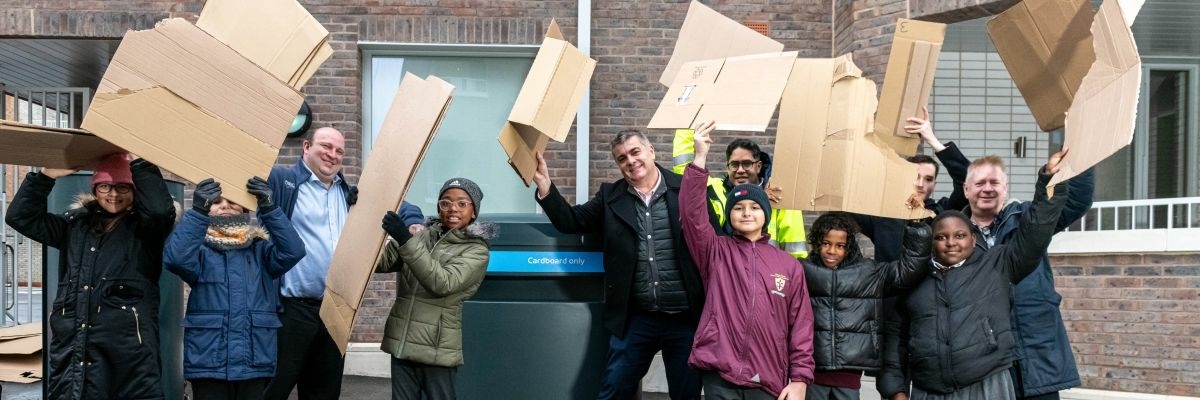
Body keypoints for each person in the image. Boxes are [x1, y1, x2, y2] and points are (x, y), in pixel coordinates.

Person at [882, 149, 1071, 399]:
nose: (951, 242)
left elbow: (1036, 230)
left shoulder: (997, 265)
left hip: (986, 384)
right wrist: (895, 389)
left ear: (973, 239)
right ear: (931, 242)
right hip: (929, 389)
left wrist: (1048, 178)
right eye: (941, 237)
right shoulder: (914, 278)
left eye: (960, 235)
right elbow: (896, 336)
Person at [533, 130, 704, 400]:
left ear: (651, 151)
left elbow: (715, 239)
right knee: (613, 391)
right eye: (622, 158)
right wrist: (545, 184)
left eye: (635, 152)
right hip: (636, 318)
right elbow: (571, 221)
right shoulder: (610, 196)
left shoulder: (684, 188)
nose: (631, 161)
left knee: (687, 394)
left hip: (685, 317)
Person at [264, 127, 425, 400]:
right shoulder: (283, 180)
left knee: (324, 392)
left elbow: (401, 203)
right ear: (306, 147)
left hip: (335, 308)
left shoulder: (348, 192)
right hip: (290, 309)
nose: (333, 154)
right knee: (272, 389)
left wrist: (412, 222)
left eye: (339, 150)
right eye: (326, 146)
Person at [5, 153, 175, 399]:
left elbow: (160, 211)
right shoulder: (74, 225)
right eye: (105, 186)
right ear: (95, 190)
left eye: (123, 187)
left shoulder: (145, 229)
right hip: (74, 347)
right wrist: (44, 177)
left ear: (135, 191)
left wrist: (140, 163)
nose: (113, 194)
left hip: (127, 353)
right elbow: (19, 217)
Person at [680, 120, 814, 400]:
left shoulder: (788, 265)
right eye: (738, 207)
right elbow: (692, 215)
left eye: (754, 207)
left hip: (768, 378)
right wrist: (700, 157)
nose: (746, 212)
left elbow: (801, 325)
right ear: (729, 215)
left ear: (766, 214)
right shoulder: (716, 251)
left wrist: (800, 379)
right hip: (720, 373)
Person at [961, 155, 1094, 400]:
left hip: (1035, 355)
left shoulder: (1028, 218)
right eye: (980, 183)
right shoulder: (953, 236)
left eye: (994, 182)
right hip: (983, 364)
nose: (987, 189)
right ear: (966, 189)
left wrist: (1080, 153)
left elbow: (1076, 201)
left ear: (1005, 187)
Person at [859, 109, 969, 400]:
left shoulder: (943, 214)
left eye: (928, 179)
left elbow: (966, 179)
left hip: (932, 311)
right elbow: (847, 201)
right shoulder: (882, 214)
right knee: (891, 386)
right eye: (915, 177)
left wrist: (932, 139)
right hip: (891, 311)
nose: (921, 183)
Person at [163, 177, 306, 400]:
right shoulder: (199, 250)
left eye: (232, 201)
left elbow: (294, 250)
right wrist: (198, 212)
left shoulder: (260, 251)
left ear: (244, 208)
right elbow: (175, 258)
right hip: (209, 360)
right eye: (216, 202)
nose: (225, 206)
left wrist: (269, 208)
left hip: (254, 360)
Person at [375, 178, 493, 400]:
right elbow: (381, 262)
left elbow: (443, 283)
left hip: (436, 349)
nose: (453, 209)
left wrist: (405, 240)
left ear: (474, 212)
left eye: (462, 203)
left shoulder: (476, 251)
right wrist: (364, 218)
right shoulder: (422, 235)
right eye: (445, 202)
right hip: (402, 342)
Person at [803, 212, 931, 400]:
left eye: (840, 246)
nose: (832, 251)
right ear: (816, 242)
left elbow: (909, 268)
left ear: (849, 246)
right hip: (813, 369)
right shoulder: (802, 270)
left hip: (850, 370)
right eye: (826, 243)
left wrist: (917, 225)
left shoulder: (868, 272)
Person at [672, 129, 808, 258]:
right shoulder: (714, 189)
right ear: (727, 167)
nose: (740, 170)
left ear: (759, 166)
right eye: (734, 164)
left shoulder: (778, 196)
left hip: (768, 272)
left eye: (747, 164)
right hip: (725, 269)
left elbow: (795, 252)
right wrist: (689, 126)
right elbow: (689, 178)